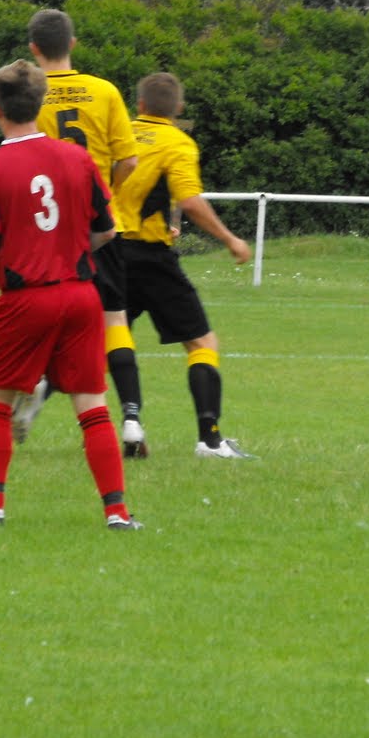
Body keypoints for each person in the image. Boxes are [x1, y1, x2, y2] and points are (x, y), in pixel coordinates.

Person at [0, 59, 141, 529]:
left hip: (25, 299)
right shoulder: (78, 160)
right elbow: (104, 231)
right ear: (39, 105)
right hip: (81, 295)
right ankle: (117, 513)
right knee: (92, 405)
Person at [16, 7, 149, 457]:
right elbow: (129, 160)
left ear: (34, 49)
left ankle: (35, 384)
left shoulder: (28, 95)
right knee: (113, 319)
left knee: (51, 315)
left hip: (47, 227)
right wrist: (105, 193)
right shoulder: (105, 91)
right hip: (101, 226)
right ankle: (131, 420)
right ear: (72, 43)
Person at [116, 72, 256, 458]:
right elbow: (190, 200)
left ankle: (130, 421)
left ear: (139, 105)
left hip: (110, 252)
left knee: (114, 336)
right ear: (178, 108)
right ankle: (209, 438)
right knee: (201, 342)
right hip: (152, 256)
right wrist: (230, 239)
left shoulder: (120, 133)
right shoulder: (178, 141)